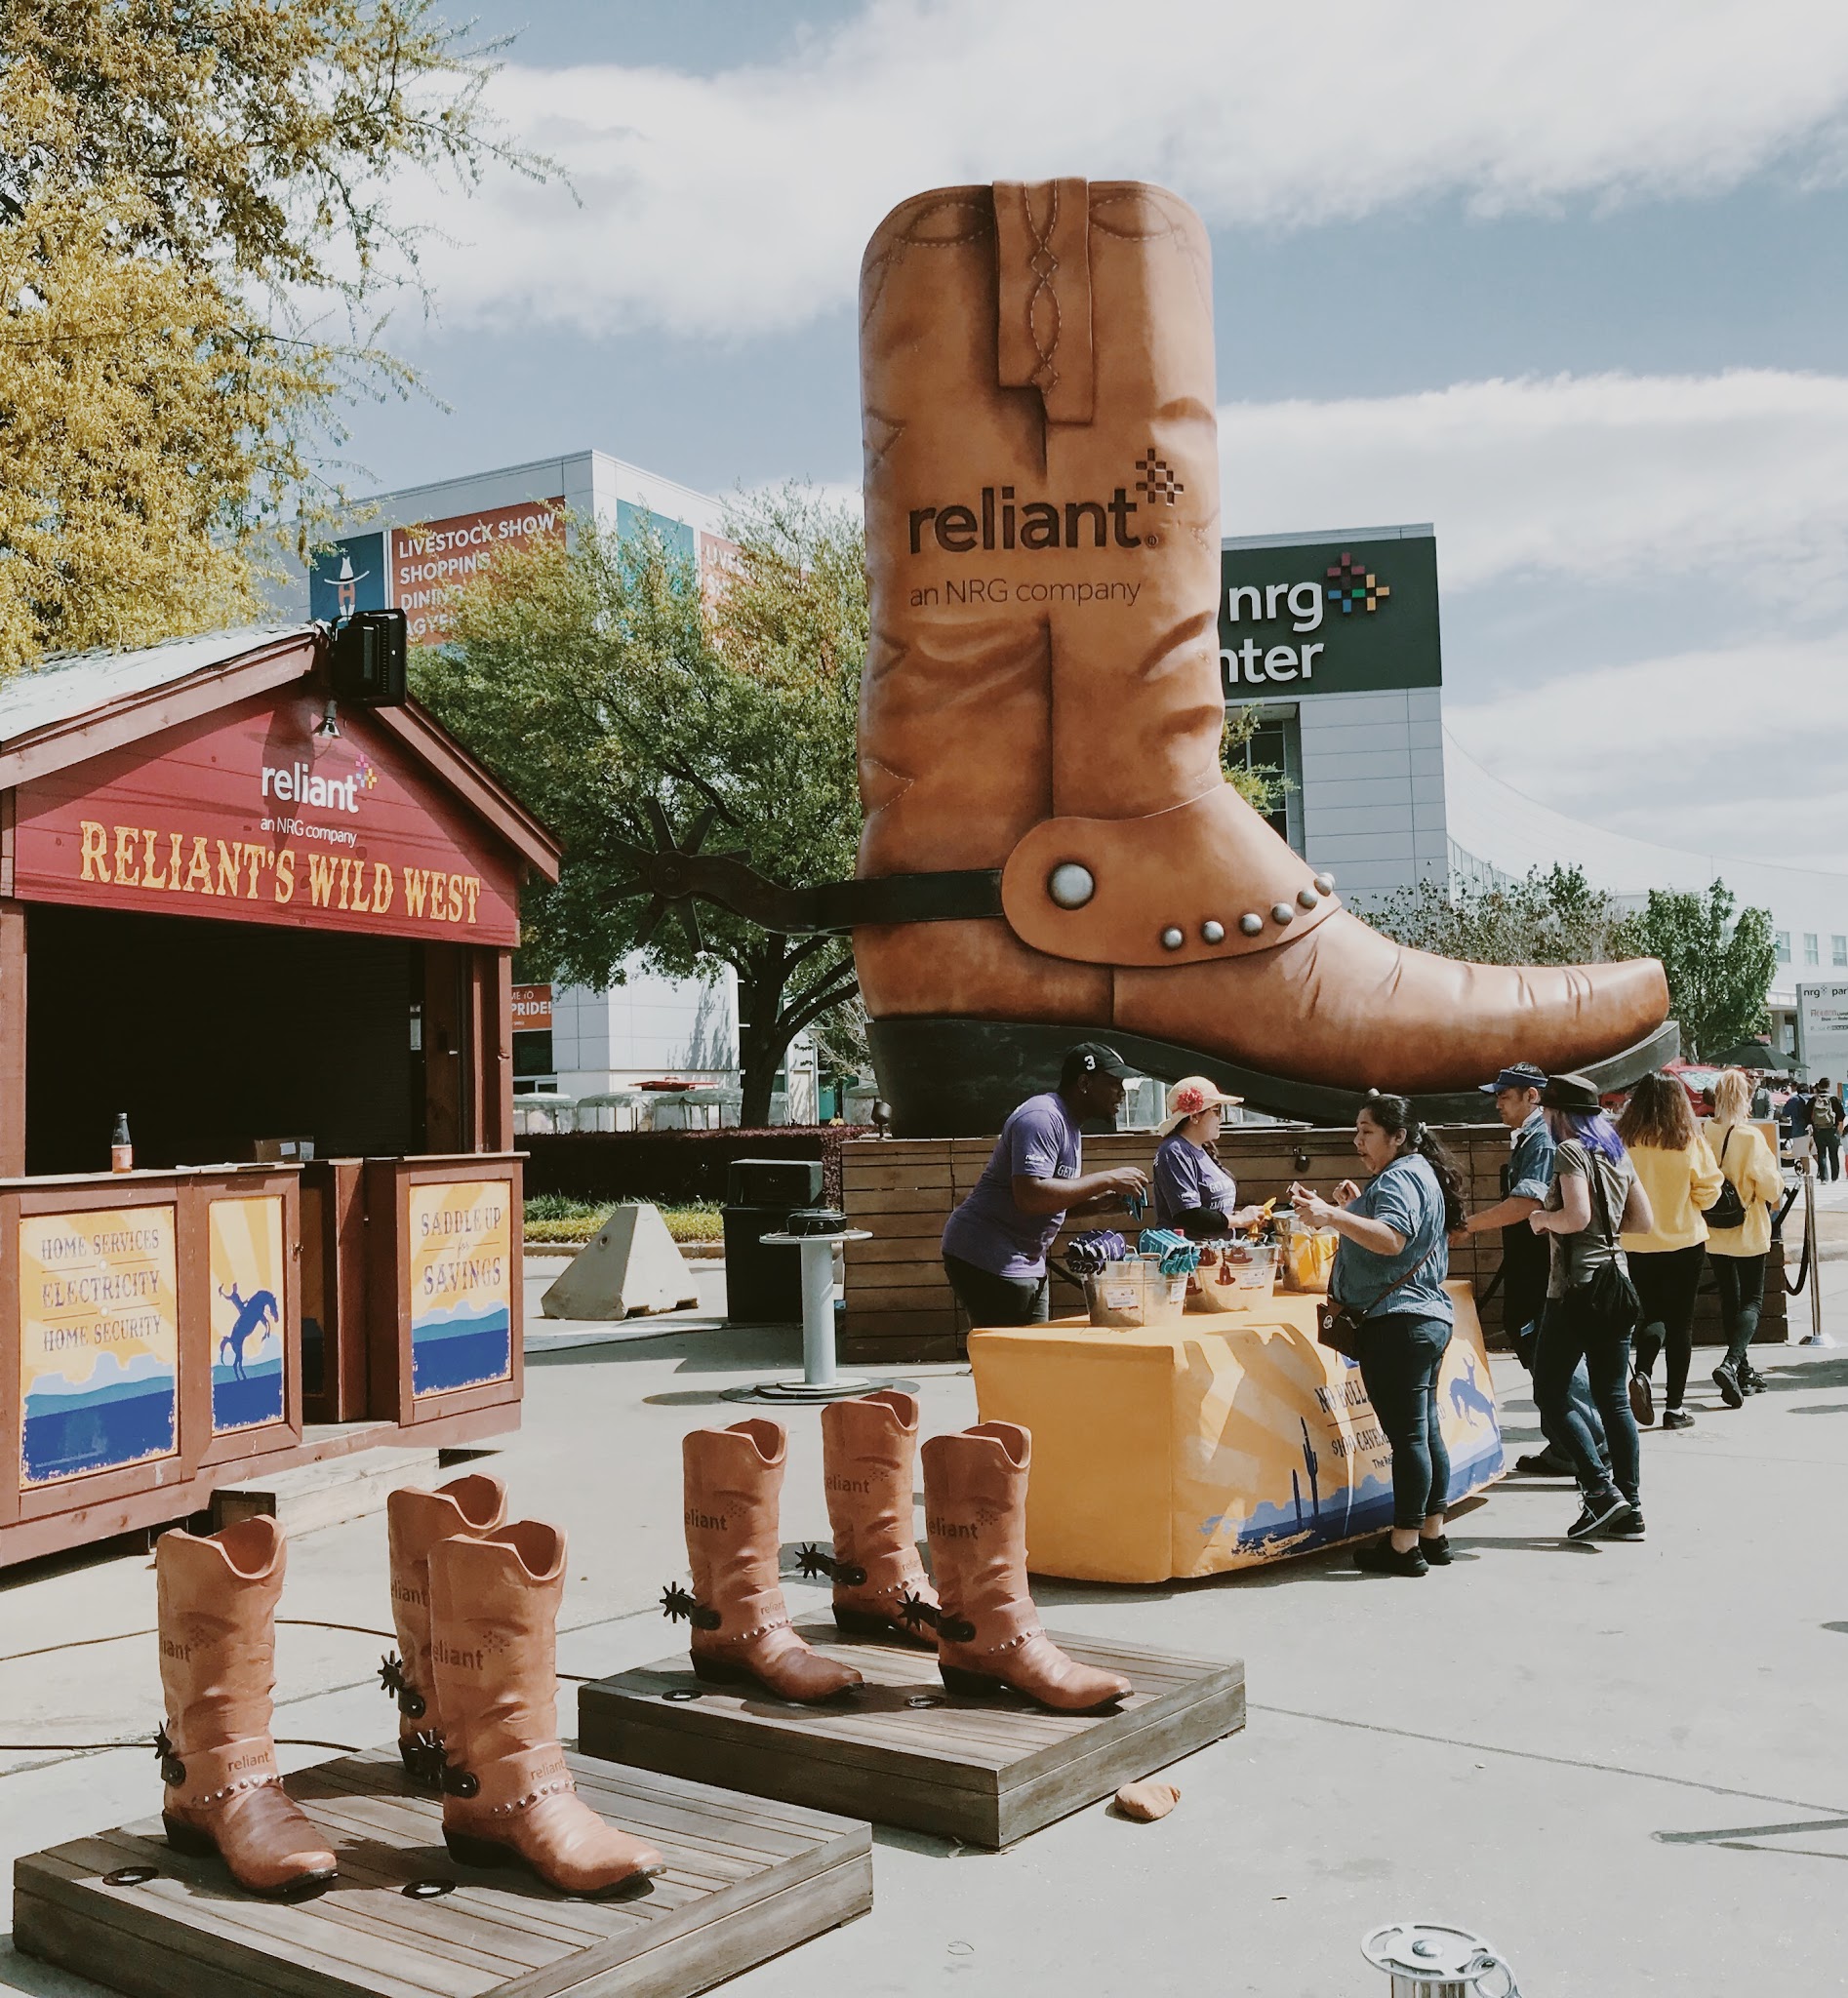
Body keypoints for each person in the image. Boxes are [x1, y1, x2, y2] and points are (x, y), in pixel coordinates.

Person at [1291, 1095, 1464, 1578]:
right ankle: (1432, 1532)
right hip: (1422, 1320)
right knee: (1424, 1433)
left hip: (1399, 1323)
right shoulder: (1415, 1173)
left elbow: (1393, 1239)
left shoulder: (1402, 1176)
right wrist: (1354, 1207)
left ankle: (1404, 1543)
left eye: (1367, 1131)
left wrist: (1332, 1215)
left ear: (1399, 1136)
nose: (1357, 1141)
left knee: (1409, 1438)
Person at [1458, 1061, 1611, 1484]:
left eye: (1505, 1097)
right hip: (1537, 1264)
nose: (1498, 1106)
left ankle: (1591, 1444)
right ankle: (1567, 1444)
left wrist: (1468, 1225)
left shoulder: (1542, 1142)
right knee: (1543, 1352)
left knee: (1553, 1360)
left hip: (1546, 1267)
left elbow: (1527, 1204)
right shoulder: (1532, 1137)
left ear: (1533, 1097)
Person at [1528, 1073, 1656, 1541]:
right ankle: (1631, 1506)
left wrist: (1543, 1219)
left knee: (1551, 1393)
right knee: (1613, 1399)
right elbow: (1643, 1220)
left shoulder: (1569, 1152)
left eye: (1545, 1111)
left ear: (1557, 1113)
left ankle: (1601, 1493)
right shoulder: (1616, 1153)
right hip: (1617, 1283)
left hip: (1575, 1290)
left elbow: (1575, 1216)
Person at [940, 1041, 1148, 1327]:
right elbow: (1030, 1197)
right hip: (986, 1255)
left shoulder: (1068, 1123)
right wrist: (1107, 1178)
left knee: (1031, 1358)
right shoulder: (1042, 1118)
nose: (1121, 1093)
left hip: (1023, 1260)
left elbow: (1045, 1204)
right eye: (1113, 1083)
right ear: (1084, 1082)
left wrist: (1097, 1205)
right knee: (1009, 1360)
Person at [1617, 1071, 1722, 1432]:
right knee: (1682, 1324)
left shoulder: (1624, 1141)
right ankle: (1674, 1408)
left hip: (1637, 1241)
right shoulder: (1688, 1140)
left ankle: (1643, 1372)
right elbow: (1710, 1192)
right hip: (1684, 1240)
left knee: (1652, 1315)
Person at [1706, 1066, 1785, 1407]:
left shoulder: (1705, 1131)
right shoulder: (1750, 1137)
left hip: (1713, 1229)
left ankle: (1741, 1370)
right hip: (1748, 1227)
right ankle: (1732, 1362)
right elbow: (1770, 1185)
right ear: (1746, 1099)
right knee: (1752, 1300)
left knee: (1730, 1299)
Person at [1150, 1076, 1265, 1237]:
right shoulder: (1173, 1151)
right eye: (1217, 1110)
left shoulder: (1201, 1148)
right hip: (1189, 1258)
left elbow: (1210, 1212)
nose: (1222, 1118)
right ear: (1194, 1116)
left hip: (1216, 1254)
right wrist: (1239, 1220)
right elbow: (1189, 1215)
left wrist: (1240, 1218)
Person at [1809, 1076, 1843, 1183]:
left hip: (1818, 1130)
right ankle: (1835, 1177)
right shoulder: (1833, 1099)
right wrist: (1839, 1130)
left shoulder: (1813, 1100)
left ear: (1818, 1086)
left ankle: (1824, 1178)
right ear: (1829, 1086)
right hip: (1832, 1130)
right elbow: (1841, 1116)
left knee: (1821, 1154)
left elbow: (1806, 1116)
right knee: (1834, 1154)